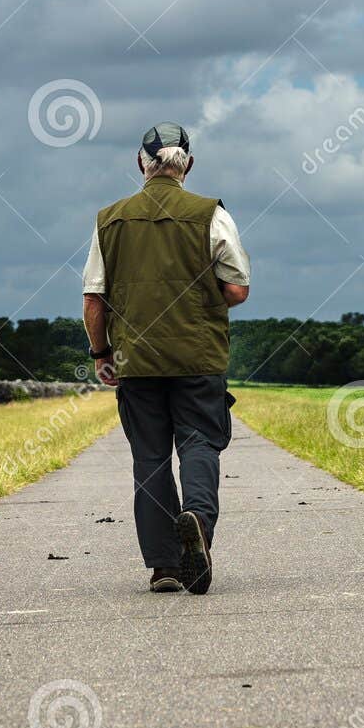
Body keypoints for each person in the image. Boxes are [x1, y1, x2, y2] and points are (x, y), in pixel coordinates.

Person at [82, 122, 250, 594]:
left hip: (135, 361)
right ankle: (196, 518)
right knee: (199, 443)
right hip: (198, 357)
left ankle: (165, 566)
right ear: (188, 165)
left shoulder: (109, 220)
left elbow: (93, 300)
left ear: (141, 164)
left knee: (150, 457)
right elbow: (237, 288)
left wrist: (101, 354)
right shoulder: (210, 214)